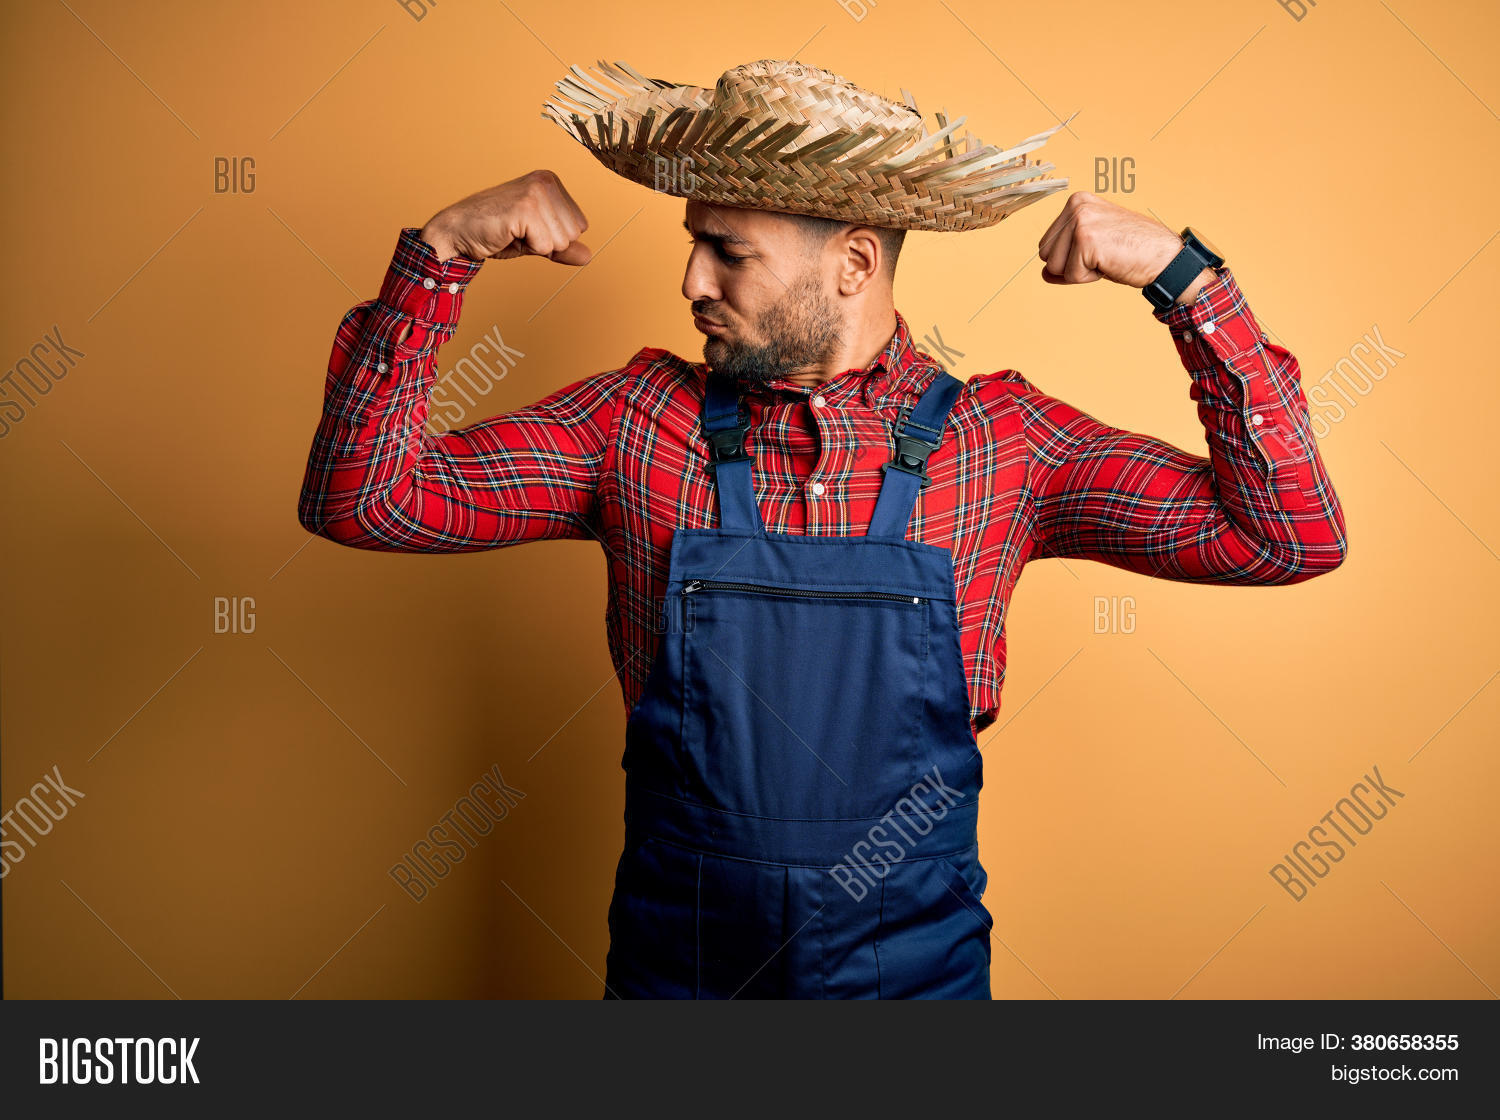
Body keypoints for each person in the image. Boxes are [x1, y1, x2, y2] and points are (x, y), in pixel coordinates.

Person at [298, 59, 1346, 999]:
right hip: (681, 972)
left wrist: (1185, 281)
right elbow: (364, 499)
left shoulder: (1003, 445)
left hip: (912, 980)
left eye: (726, 252)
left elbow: (1289, 536)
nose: (690, 282)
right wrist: (439, 257)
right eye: (693, 245)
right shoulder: (635, 424)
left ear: (853, 262)